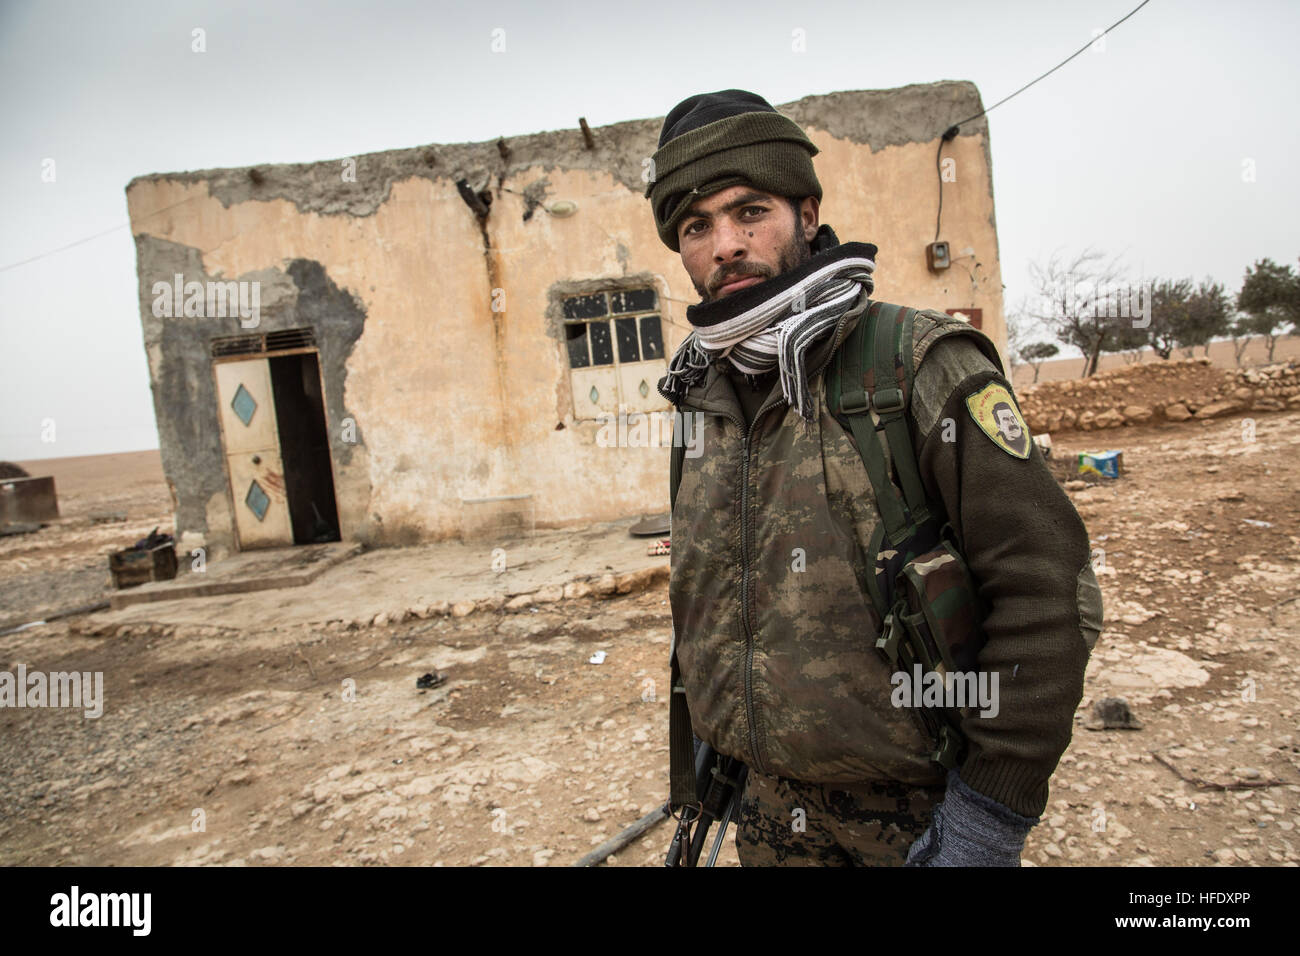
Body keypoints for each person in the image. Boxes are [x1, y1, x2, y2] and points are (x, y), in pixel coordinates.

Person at [647, 89, 1104, 866]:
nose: (725, 245)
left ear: (806, 211)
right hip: (767, 812)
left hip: (917, 816)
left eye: (749, 212)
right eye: (697, 227)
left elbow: (1049, 592)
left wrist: (986, 820)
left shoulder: (918, 364)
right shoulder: (701, 398)